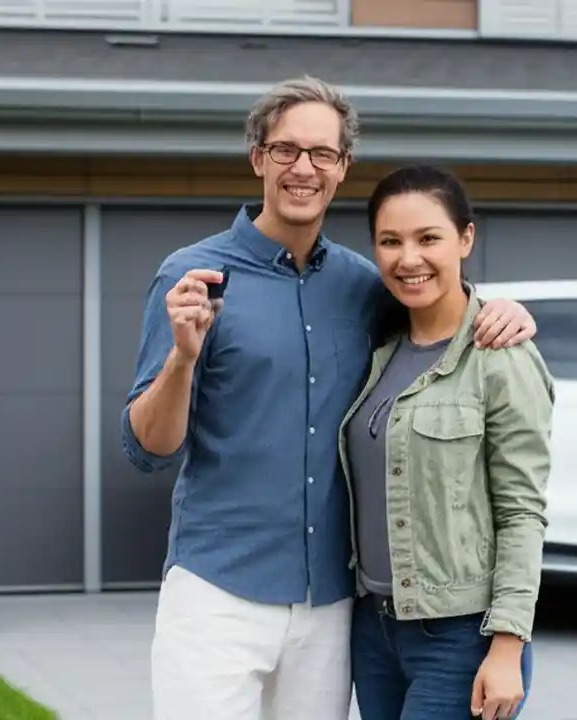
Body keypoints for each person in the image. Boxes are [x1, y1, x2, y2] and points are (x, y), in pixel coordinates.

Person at [120, 76, 538, 720]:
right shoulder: (190, 277)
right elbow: (149, 448)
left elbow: (437, 314)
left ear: (343, 167)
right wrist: (182, 357)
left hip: (331, 607)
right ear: (258, 157)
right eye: (286, 150)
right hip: (217, 591)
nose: (303, 168)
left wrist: (505, 309)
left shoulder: (364, 287)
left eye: (323, 153)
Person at [340, 165, 554, 720]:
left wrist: (509, 643)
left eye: (428, 238)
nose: (408, 258)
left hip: (462, 636)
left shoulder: (500, 354)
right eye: (390, 241)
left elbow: (522, 511)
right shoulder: (376, 346)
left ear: (465, 238)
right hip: (374, 630)